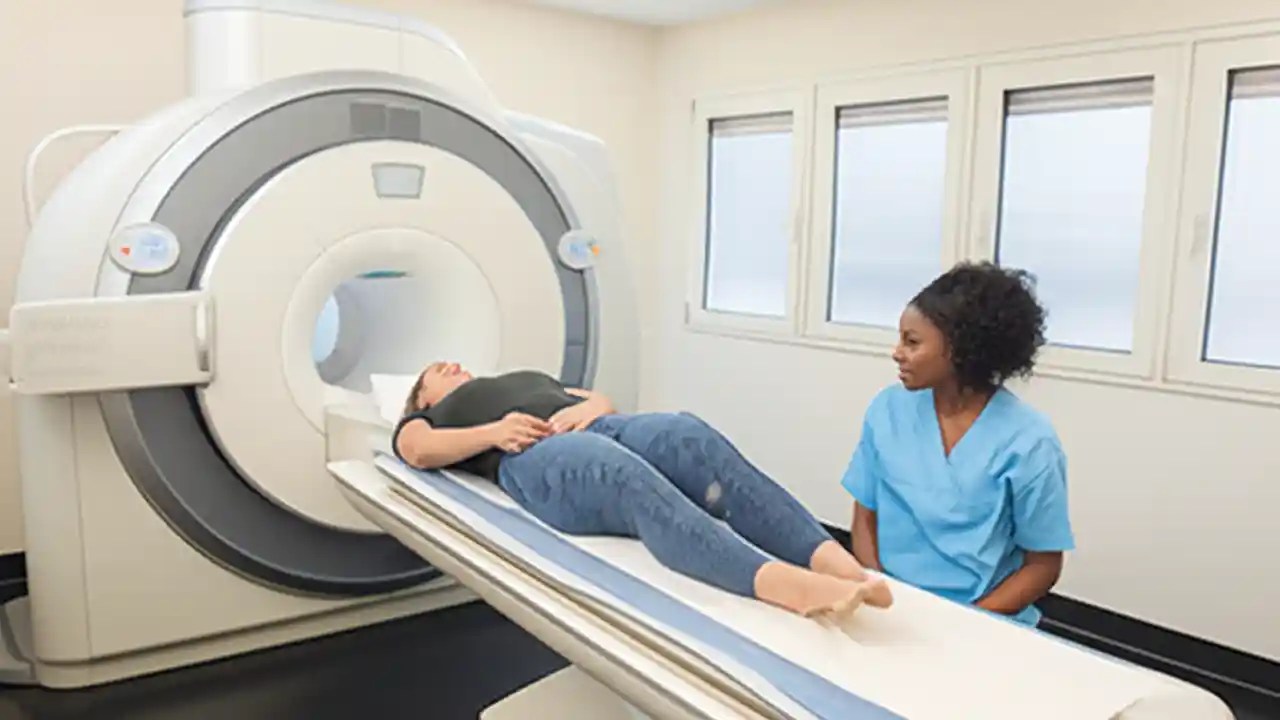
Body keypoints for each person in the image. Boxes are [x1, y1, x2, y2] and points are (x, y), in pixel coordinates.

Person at [393, 363, 894, 621]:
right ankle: (786, 586)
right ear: (423, 397)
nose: (452, 364)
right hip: (533, 457)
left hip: (598, 424)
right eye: (437, 369)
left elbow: (592, 397)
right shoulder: (440, 414)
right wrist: (494, 433)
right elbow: (415, 449)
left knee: (689, 435)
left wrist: (596, 406)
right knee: (618, 473)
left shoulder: (517, 376)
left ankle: (837, 563)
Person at [843, 261, 1074, 627]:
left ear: (962, 349)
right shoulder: (887, 410)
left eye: (912, 342)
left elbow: (1043, 565)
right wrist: (878, 591)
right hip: (890, 606)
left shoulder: (1029, 442)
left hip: (983, 620)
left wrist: (965, 624)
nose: (897, 352)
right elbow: (864, 517)